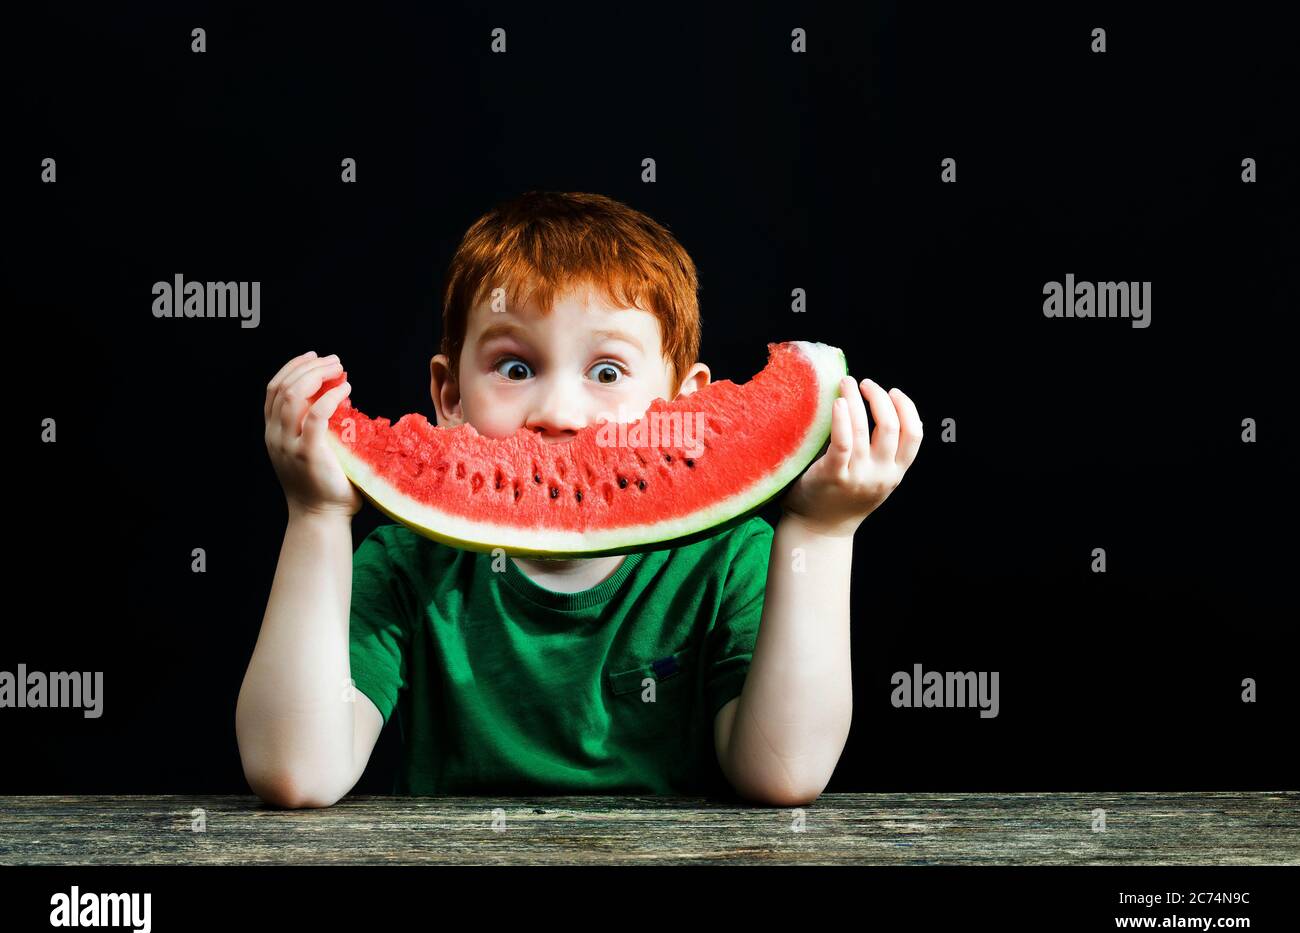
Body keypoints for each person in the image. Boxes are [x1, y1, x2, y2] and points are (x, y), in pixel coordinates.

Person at [237, 191, 922, 806]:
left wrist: (821, 536)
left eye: (606, 370)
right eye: (515, 367)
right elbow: (296, 771)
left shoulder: (733, 563)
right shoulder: (407, 561)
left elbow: (784, 774)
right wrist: (317, 516)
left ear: (690, 402)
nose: (559, 410)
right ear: (448, 395)